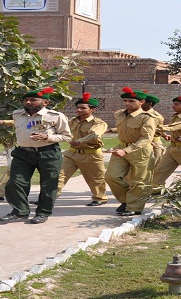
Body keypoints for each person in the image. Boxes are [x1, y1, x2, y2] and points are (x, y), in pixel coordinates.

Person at [0, 87, 72, 224]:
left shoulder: (55, 116)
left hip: (48, 153)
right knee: (15, 182)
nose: (28, 102)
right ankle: (19, 212)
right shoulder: (17, 114)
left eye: (33, 100)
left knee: (48, 185)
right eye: (26, 100)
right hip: (23, 153)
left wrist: (47, 136)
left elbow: (67, 136)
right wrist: (1, 122)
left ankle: (43, 213)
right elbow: (20, 124)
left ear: (45, 103)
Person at [106, 87, 159, 217]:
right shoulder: (119, 114)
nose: (127, 104)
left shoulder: (147, 117)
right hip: (121, 148)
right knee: (111, 176)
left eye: (131, 101)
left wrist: (127, 150)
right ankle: (126, 201)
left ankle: (134, 207)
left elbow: (146, 138)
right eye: (125, 101)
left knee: (140, 180)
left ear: (141, 102)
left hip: (140, 150)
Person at [58, 93, 110, 206]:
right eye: (78, 107)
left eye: (83, 108)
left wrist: (80, 141)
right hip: (71, 154)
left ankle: (99, 198)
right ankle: (49, 197)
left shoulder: (98, 123)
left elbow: (95, 134)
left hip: (91, 155)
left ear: (92, 110)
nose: (79, 110)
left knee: (95, 179)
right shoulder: (72, 121)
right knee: (58, 176)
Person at [141, 91, 166, 186]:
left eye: (143, 102)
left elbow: (159, 129)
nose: (140, 103)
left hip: (155, 144)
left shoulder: (157, 116)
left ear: (149, 104)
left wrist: (163, 135)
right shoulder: (137, 114)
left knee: (157, 166)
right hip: (141, 143)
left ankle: (158, 187)